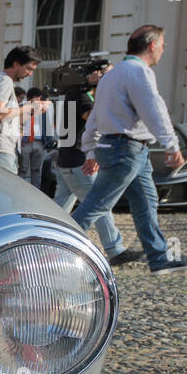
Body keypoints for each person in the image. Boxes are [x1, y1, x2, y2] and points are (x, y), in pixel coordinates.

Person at [73, 25, 187, 275]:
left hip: (124, 149)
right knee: (97, 204)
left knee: (146, 202)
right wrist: (171, 145)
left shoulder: (112, 75)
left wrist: (90, 150)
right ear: (152, 45)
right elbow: (153, 110)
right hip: (126, 149)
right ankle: (50, 246)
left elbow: (96, 117)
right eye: (162, 43)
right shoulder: (138, 72)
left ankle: (159, 259)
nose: (164, 48)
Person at [53, 62, 135, 266]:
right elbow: (97, 119)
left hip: (67, 161)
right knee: (99, 205)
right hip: (79, 163)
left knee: (58, 212)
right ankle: (115, 250)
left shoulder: (74, 95)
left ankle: (50, 242)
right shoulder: (81, 97)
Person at [0, 46, 41, 173]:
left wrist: (31, 110)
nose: (30, 74)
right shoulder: (5, 81)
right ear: (16, 64)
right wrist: (26, 107)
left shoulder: (0, 80)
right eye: (29, 69)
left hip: (2, 149)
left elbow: (8, 119)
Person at [18, 87, 52, 188]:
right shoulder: (21, 108)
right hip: (25, 141)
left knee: (36, 169)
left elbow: (47, 126)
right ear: (29, 99)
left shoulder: (43, 111)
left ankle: (36, 190)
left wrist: (48, 142)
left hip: (39, 142)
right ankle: (19, 189)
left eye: (39, 99)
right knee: (23, 168)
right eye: (35, 99)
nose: (37, 101)